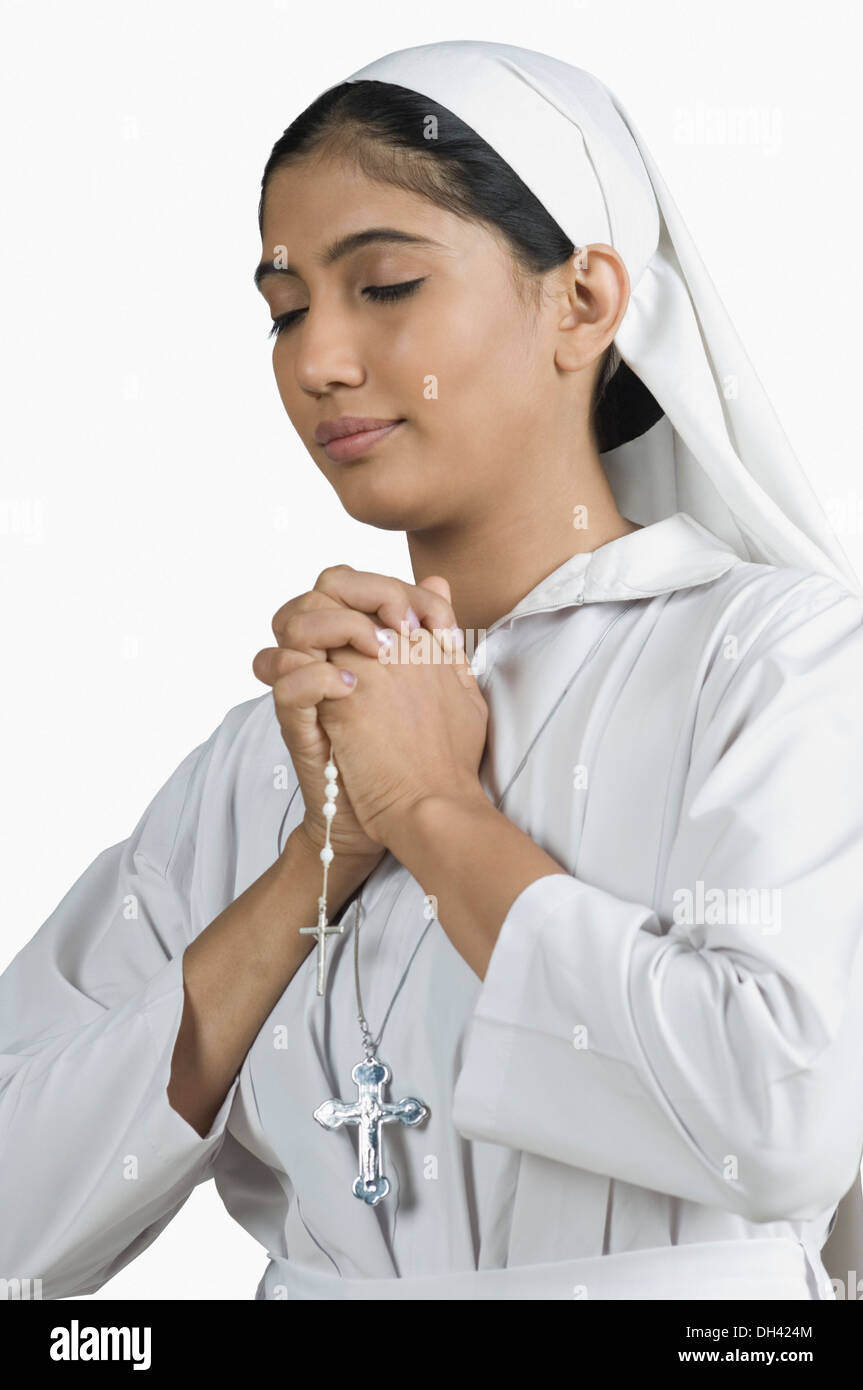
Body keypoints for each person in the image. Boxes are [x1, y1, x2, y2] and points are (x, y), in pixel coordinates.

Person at [2, 38, 863, 1302]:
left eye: (385, 284)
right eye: (286, 309)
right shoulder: (270, 753)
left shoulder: (777, 663)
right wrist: (317, 862)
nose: (317, 359)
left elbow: (777, 1123)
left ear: (582, 301)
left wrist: (431, 810)